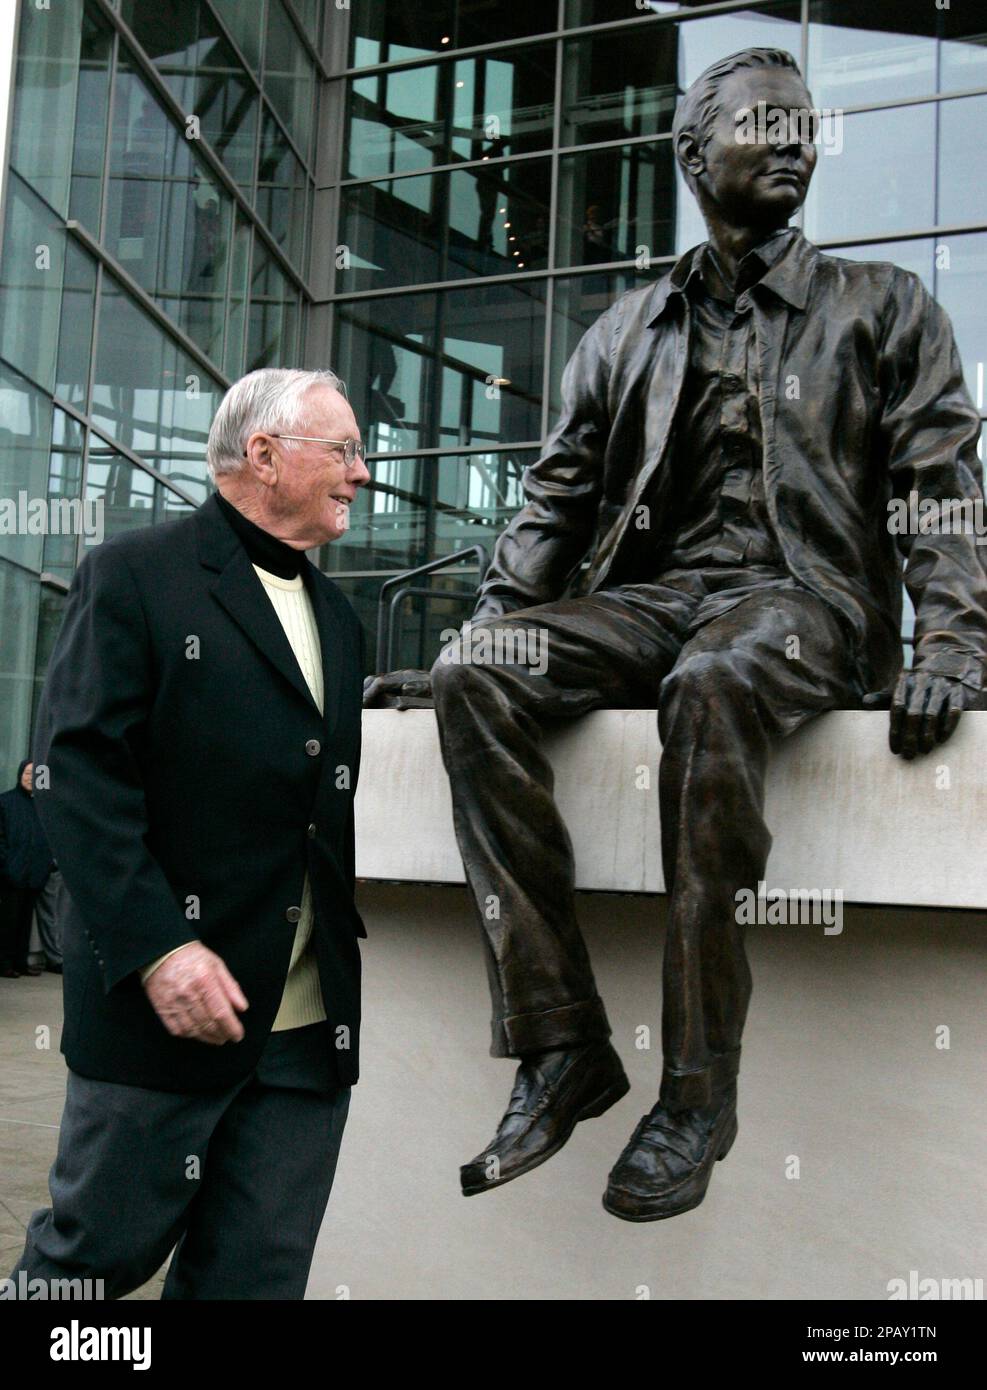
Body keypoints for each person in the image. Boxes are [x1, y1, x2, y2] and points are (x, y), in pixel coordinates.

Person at [365, 49, 987, 1221]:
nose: (796, 138)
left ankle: (697, 1091)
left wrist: (953, 640)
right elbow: (554, 503)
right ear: (695, 158)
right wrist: (493, 627)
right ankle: (562, 1043)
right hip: (658, 599)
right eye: (764, 122)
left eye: (805, 122)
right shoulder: (628, 328)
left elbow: (938, 485)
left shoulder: (885, 307)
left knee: (709, 683)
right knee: (474, 676)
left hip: (803, 606)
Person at [9, 366, 371, 1297]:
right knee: (90, 1267)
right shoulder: (135, 575)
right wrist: (161, 950)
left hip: (301, 1030)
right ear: (264, 454)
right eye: (343, 450)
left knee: (254, 1279)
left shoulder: (339, 616)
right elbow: (77, 781)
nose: (361, 473)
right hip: (164, 1011)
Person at [0, 760, 54, 978]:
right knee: (7, 923)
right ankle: (4, 964)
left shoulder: (43, 806)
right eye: (27, 773)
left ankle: (20, 962)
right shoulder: (5, 802)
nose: (31, 778)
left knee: (24, 924)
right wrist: (6, 865)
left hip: (34, 876)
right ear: (20, 774)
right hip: (11, 875)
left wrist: (46, 866)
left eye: (36, 774)